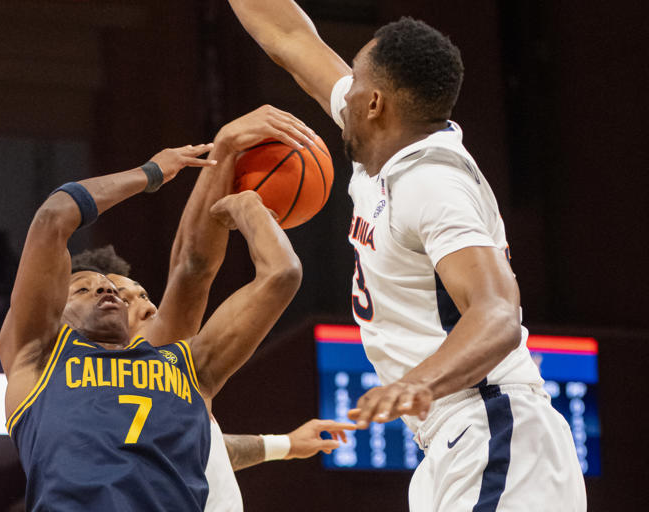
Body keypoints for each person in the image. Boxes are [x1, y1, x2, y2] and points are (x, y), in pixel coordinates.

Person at [227, 2, 586, 511]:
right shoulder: (387, 143)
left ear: (374, 104)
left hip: (492, 428)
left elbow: (498, 313)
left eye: (354, 81)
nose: (342, 89)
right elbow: (290, 37)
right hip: (452, 438)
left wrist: (418, 381)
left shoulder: (432, 182)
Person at [0, 140, 303, 511]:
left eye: (112, 287)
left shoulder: (189, 365)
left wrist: (251, 208)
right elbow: (53, 217)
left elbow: (282, 274)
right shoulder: (38, 358)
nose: (104, 287)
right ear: (54, 310)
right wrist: (151, 173)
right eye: (82, 288)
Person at [72, 245, 355, 511]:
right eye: (123, 299)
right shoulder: (107, 396)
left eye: (144, 295)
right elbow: (277, 273)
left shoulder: (162, 388)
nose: (150, 308)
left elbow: (203, 449)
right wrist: (245, 206)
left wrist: (286, 444)